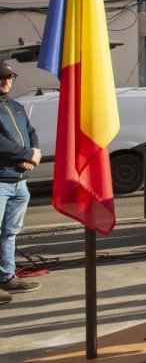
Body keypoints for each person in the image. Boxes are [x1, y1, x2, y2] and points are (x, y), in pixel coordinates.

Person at [0, 62, 41, 304]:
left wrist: (34, 153)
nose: (6, 81)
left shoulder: (16, 107)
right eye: (2, 77)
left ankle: (6, 276)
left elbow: (31, 132)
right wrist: (26, 155)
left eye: (10, 77)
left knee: (10, 232)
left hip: (19, 182)